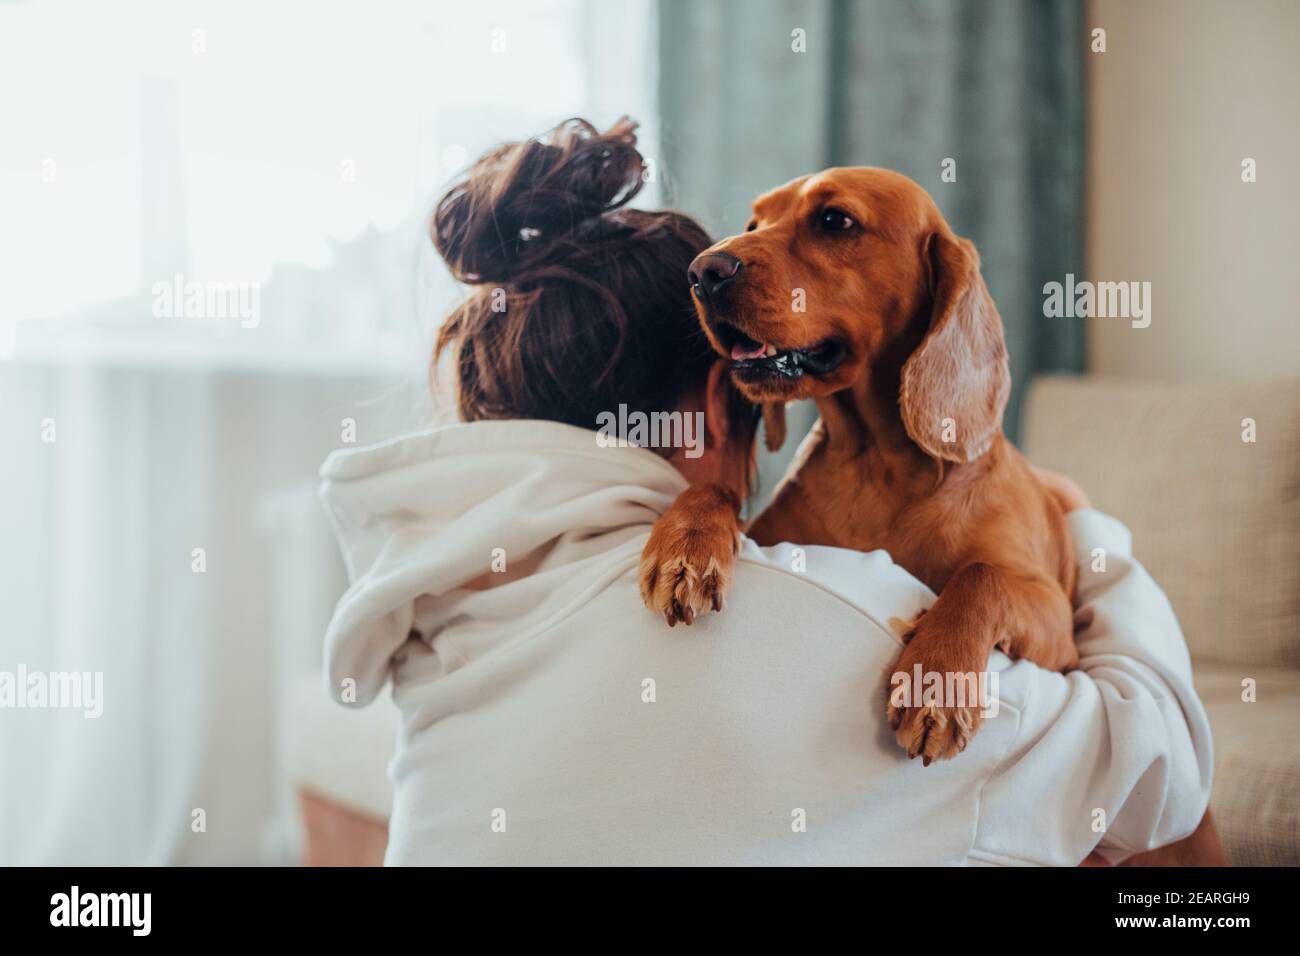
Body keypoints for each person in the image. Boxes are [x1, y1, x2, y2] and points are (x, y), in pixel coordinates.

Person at [320, 118, 1212, 865]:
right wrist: (1089, 526)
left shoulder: (438, 607)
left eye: (832, 223)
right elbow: (1156, 777)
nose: (733, 257)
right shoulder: (811, 618)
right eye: (760, 224)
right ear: (724, 399)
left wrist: (985, 595)